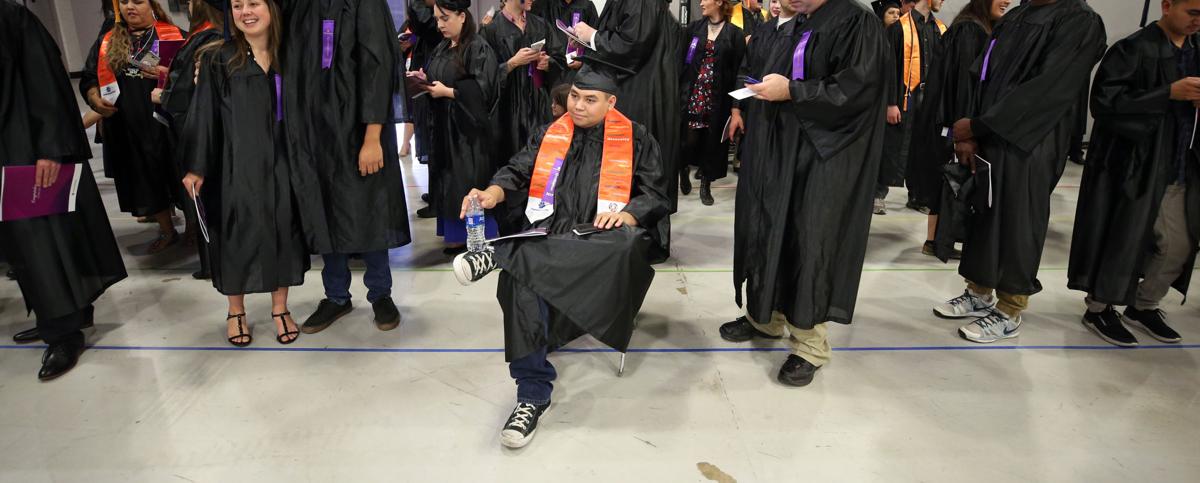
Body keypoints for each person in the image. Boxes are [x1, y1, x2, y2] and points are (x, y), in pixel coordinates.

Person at [451, 65, 670, 449]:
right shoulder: (551, 132)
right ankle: (533, 394)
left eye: (590, 100)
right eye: (574, 96)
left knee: (597, 249)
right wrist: (491, 194)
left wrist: (629, 214)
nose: (578, 106)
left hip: (603, 237)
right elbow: (518, 169)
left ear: (611, 102)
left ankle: (500, 252)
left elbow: (655, 193)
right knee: (519, 279)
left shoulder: (636, 137)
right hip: (554, 230)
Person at [720, 0, 887, 387]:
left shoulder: (856, 22)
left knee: (809, 240)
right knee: (770, 231)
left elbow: (857, 90)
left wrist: (793, 91)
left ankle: (810, 345)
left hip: (822, 157)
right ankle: (767, 317)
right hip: (779, 152)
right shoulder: (797, 23)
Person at [933, 0, 1106, 343]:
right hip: (989, 134)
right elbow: (981, 75)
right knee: (984, 215)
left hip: (1031, 141)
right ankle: (979, 292)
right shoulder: (1017, 15)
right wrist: (969, 129)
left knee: (1018, 221)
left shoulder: (1080, 21)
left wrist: (980, 125)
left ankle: (1010, 308)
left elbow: (1048, 90)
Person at [1, 0, 128, 379]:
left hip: (26, 150)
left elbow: (44, 80)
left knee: (43, 242)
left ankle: (64, 331)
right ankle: (55, 313)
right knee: (22, 246)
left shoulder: (10, 17)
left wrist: (50, 148)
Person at [1067, 0, 1200, 347]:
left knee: (1179, 246)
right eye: (1193, 12)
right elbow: (1104, 103)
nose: (1198, 21)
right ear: (1167, 6)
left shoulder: (1197, 50)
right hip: (1133, 166)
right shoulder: (1132, 49)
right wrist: (1167, 93)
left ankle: (1143, 304)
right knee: (1121, 238)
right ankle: (1099, 308)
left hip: (1178, 165)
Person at [182, 0, 311, 347]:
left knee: (283, 231)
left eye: (254, 3)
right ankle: (235, 311)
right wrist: (196, 166)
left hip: (283, 162)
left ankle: (280, 308)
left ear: (272, 8)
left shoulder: (290, 55)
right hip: (235, 164)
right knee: (235, 235)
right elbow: (204, 114)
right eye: (237, 5)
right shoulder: (218, 58)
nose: (245, 12)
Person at [283, 0, 412, 334]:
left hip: (359, 129)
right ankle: (336, 296)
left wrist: (373, 136)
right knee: (325, 208)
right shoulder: (300, 5)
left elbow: (378, 65)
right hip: (316, 131)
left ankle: (381, 293)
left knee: (368, 208)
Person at [79, 0, 185, 254]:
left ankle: (193, 227)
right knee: (143, 179)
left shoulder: (173, 35)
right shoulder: (108, 41)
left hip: (167, 125)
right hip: (128, 126)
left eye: (137, 1)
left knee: (179, 175)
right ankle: (167, 230)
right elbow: (89, 78)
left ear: (153, 5)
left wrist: (167, 75)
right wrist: (94, 98)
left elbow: (193, 76)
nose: (130, 7)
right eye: (124, 2)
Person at [911, 0, 1009, 260]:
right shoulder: (969, 31)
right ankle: (938, 241)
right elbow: (964, 83)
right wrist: (965, 130)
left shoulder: (968, 27)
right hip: (955, 122)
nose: (1008, 1)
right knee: (952, 179)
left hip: (947, 121)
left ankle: (935, 240)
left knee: (946, 179)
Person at [410, 0, 501, 254]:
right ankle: (456, 236)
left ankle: (475, 236)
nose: (440, 25)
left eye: (445, 18)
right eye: (437, 19)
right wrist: (424, 80)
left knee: (466, 180)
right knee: (448, 182)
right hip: (445, 129)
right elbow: (440, 76)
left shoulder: (478, 48)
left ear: (462, 16)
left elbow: (483, 92)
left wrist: (448, 92)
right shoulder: (443, 46)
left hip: (468, 135)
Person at [571, 0, 681, 210]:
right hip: (640, 85)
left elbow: (632, 46)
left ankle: (631, 222)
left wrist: (592, 36)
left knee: (636, 165)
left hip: (639, 92)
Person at [152, 0, 225, 280]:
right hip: (218, 131)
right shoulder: (218, 36)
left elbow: (184, 94)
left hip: (198, 131)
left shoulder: (205, 39)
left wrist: (164, 96)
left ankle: (213, 265)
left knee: (207, 196)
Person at [875, 0, 945, 216]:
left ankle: (918, 196)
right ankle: (877, 194)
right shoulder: (899, 28)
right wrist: (890, 102)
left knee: (922, 148)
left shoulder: (940, 29)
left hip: (929, 99)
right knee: (892, 146)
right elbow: (889, 67)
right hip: (905, 96)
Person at [481, 0, 563, 172]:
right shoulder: (491, 30)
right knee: (511, 162)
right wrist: (511, 64)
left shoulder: (540, 25)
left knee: (541, 160)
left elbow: (559, 59)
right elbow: (483, 75)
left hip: (538, 106)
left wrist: (548, 63)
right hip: (507, 111)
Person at [679, 0, 746, 206]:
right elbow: (681, 60)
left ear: (718, 2)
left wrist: (736, 107)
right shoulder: (693, 29)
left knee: (712, 142)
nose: (701, 3)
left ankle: (706, 184)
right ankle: (683, 167)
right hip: (693, 94)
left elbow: (740, 72)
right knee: (688, 139)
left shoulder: (735, 34)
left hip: (718, 97)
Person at [405, 0, 441, 217]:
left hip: (436, 78)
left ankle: (439, 198)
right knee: (429, 138)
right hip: (425, 68)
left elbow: (426, 24)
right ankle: (435, 193)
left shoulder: (440, 15)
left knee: (435, 140)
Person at [530, 0, 599, 86]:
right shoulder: (542, 6)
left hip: (579, 74)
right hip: (551, 74)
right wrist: (545, 60)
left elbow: (596, 42)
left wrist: (584, 61)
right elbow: (533, 37)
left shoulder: (587, 6)